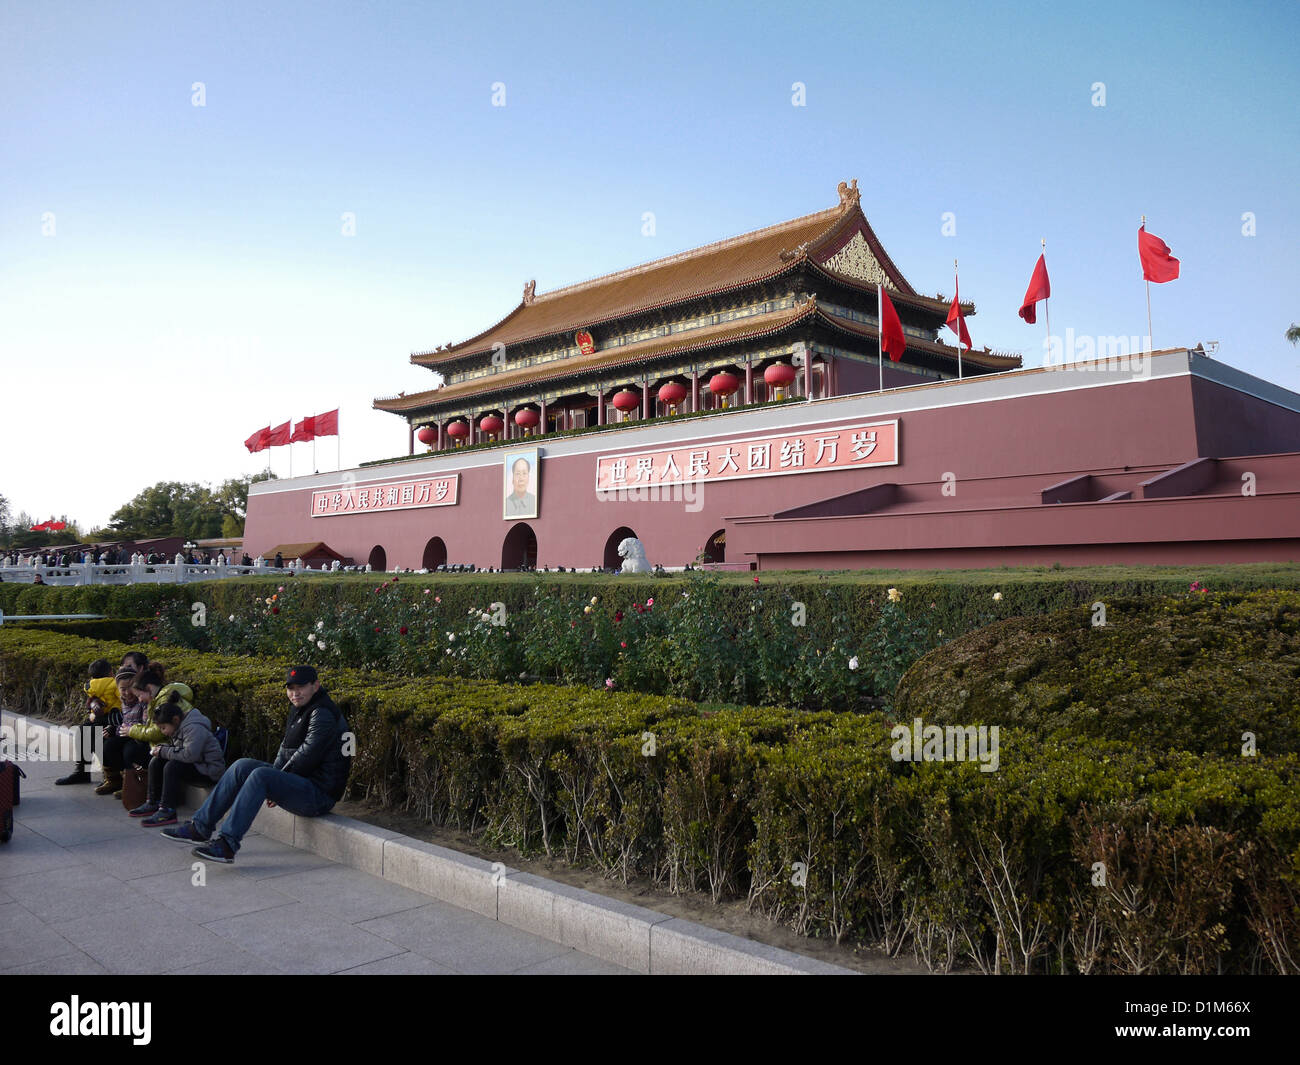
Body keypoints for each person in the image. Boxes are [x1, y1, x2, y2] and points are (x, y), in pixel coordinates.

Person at [162, 666, 351, 864]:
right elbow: (285, 749)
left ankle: (227, 844)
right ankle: (199, 827)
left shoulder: (322, 714)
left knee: (261, 776)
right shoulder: (301, 707)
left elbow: (306, 756)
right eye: (291, 688)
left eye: (301, 687)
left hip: (319, 794)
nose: (295, 693)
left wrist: (277, 783)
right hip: (301, 782)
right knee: (241, 765)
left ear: (316, 686)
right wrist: (279, 781)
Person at [128, 677, 226, 827]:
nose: (163, 732)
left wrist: (164, 751)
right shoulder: (179, 726)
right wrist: (162, 751)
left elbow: (189, 755)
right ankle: (153, 802)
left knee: (172, 766)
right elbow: (180, 751)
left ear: (175, 720)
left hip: (209, 770)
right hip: (196, 764)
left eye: (163, 728)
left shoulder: (194, 728)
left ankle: (167, 810)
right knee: (157, 760)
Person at [56, 659, 121, 785]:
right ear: (111, 672)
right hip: (111, 716)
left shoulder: (90, 685)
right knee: (84, 729)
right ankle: (82, 773)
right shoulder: (114, 683)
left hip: (113, 720)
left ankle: (107, 776)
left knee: (93, 733)